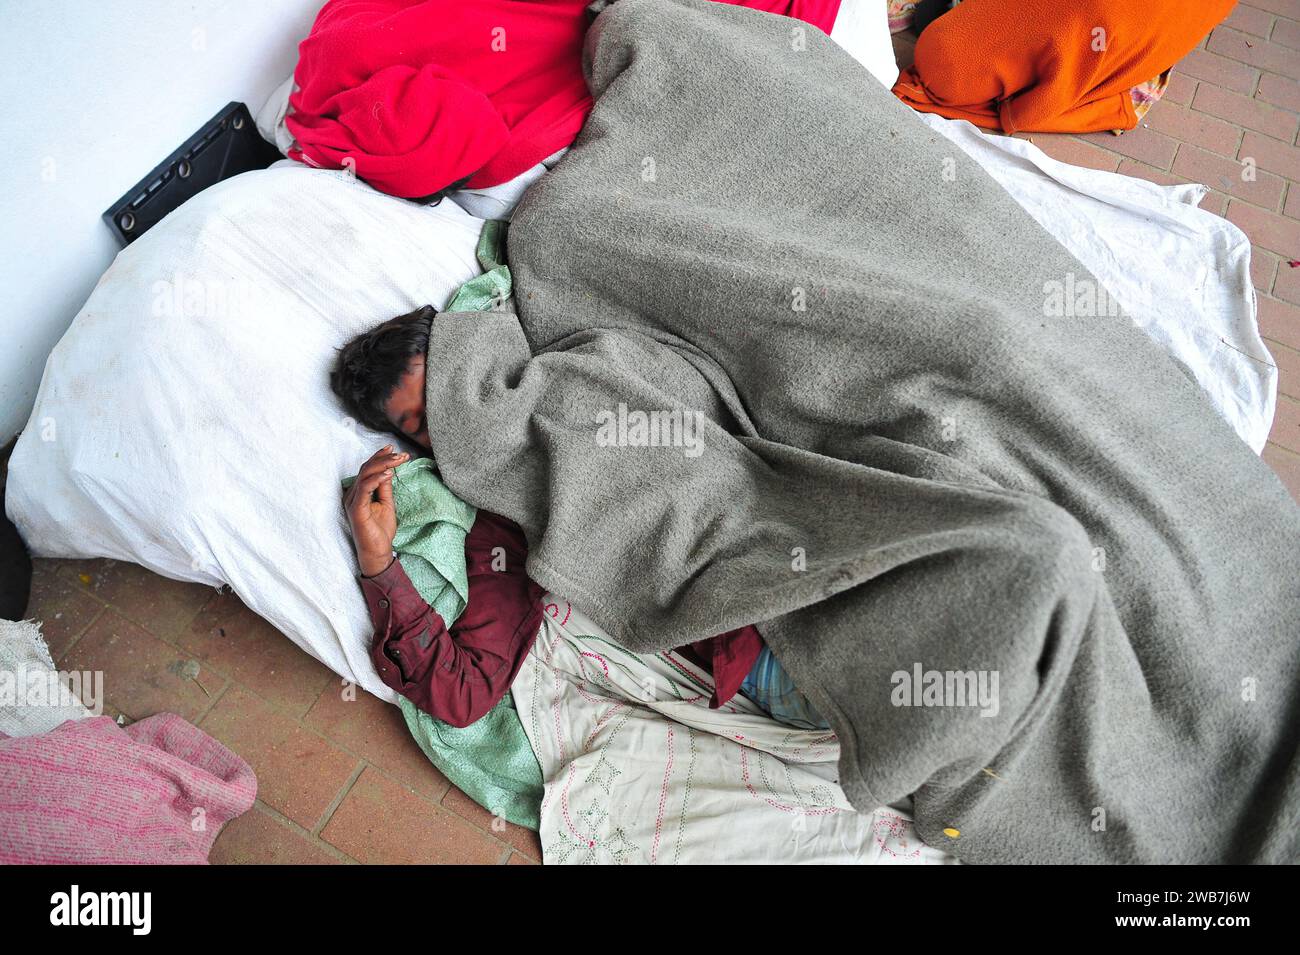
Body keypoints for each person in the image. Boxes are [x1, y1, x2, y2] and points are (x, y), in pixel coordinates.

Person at [332, 306, 829, 729]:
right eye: (425, 424)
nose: (454, 415)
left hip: (808, 528)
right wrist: (379, 562)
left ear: (473, 353)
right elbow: (465, 693)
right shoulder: (503, 527)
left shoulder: (598, 357)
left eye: (449, 388)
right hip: (761, 634)